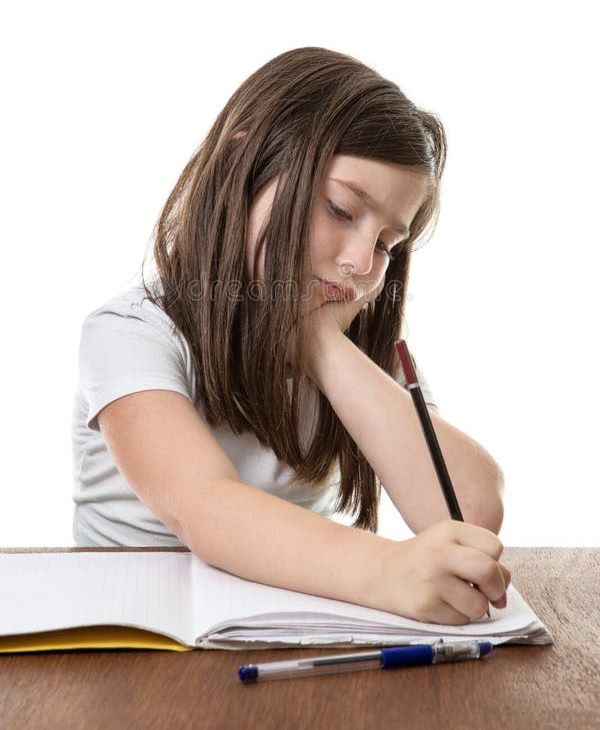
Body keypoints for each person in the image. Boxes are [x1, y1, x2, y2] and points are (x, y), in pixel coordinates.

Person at [73, 46, 511, 625]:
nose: (361, 261)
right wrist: (389, 571)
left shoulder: (356, 353)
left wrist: (323, 349)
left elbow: (471, 512)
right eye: (339, 208)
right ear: (244, 168)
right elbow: (207, 509)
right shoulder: (132, 332)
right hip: (136, 638)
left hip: (287, 629)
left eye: (385, 244)